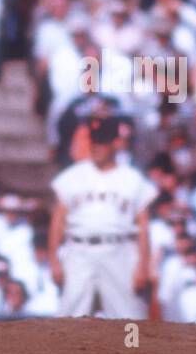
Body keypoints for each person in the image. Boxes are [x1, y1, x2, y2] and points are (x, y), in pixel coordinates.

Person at [48, 117, 156, 319]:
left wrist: (143, 266)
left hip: (119, 250)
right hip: (79, 251)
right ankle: (67, 352)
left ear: (116, 143)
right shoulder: (73, 176)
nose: (97, 147)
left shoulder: (132, 179)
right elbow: (57, 221)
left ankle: (133, 351)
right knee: (70, 316)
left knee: (129, 317)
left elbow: (143, 227)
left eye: (103, 142)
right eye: (94, 141)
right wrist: (54, 261)